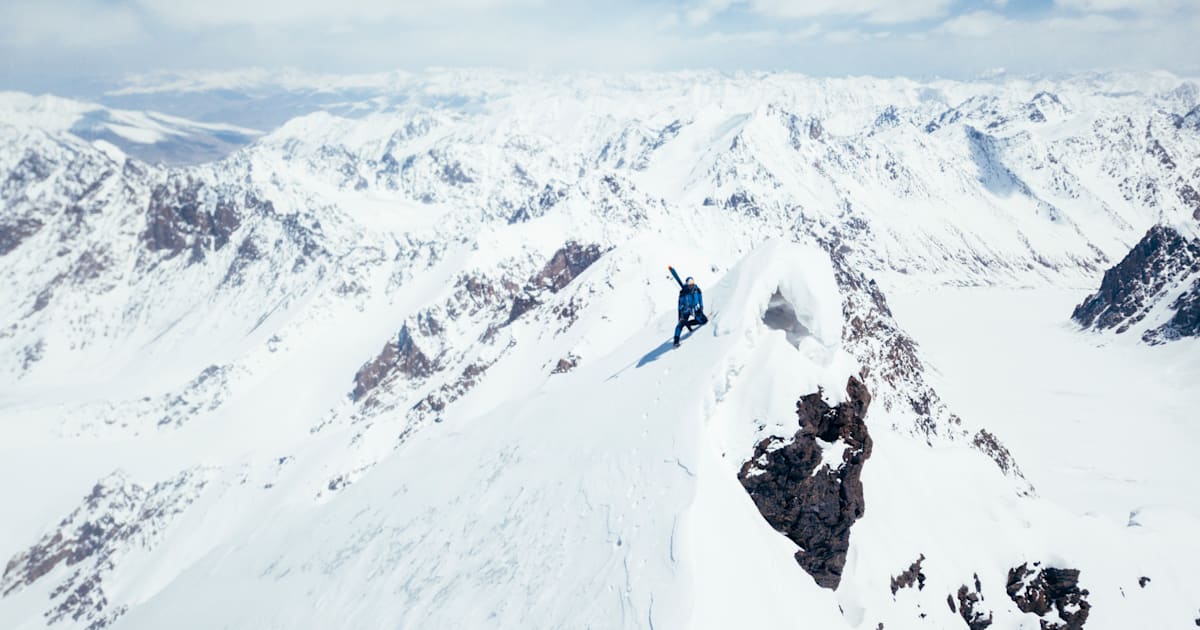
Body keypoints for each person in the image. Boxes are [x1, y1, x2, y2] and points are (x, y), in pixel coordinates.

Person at [674, 276, 708, 347]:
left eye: (692, 283)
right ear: (687, 284)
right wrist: (683, 310)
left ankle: (688, 323)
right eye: (689, 284)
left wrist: (701, 307)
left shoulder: (697, 290)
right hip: (686, 310)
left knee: (704, 321)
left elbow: (700, 298)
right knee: (680, 325)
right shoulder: (683, 293)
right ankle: (676, 340)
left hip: (695, 309)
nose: (691, 285)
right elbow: (680, 304)